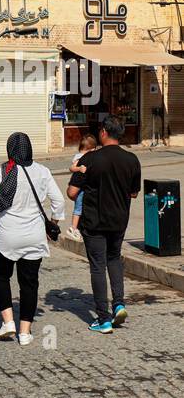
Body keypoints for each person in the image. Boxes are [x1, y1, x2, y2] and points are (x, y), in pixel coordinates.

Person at [0, 131, 65, 346]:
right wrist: (54, 224)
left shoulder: (5, 171)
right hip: (34, 236)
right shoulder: (42, 171)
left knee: (1, 276)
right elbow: (58, 201)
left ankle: (8, 322)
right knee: (29, 284)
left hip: (7, 236)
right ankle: (24, 332)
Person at [67, 115, 141, 333]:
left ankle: (103, 318)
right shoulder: (132, 160)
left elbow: (72, 193)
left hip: (94, 221)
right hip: (119, 220)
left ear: (103, 133)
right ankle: (118, 303)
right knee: (114, 259)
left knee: (98, 266)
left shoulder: (90, 159)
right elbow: (134, 193)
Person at [65, 133, 97, 240]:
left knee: (81, 207)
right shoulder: (80, 157)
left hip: (81, 186)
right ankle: (73, 228)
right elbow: (71, 168)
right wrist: (79, 168)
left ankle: (77, 227)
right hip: (80, 188)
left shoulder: (84, 155)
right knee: (78, 208)